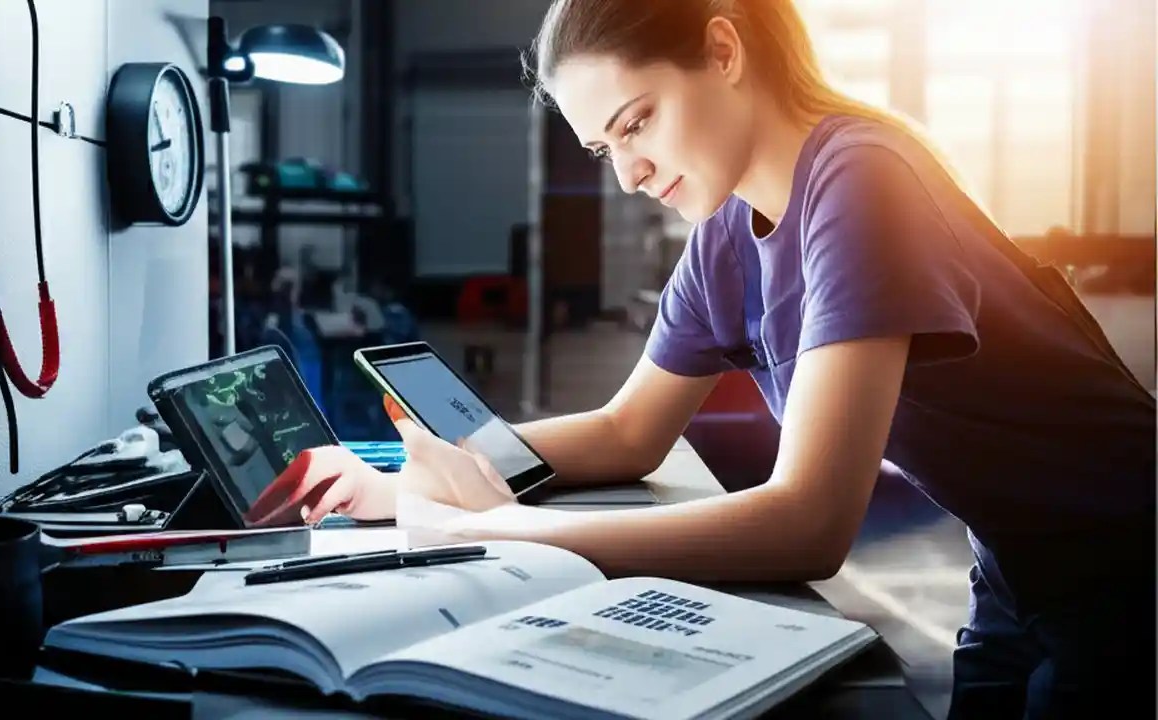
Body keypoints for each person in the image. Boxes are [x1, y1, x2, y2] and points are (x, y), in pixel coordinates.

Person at [246, 1, 1157, 717]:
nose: (627, 174)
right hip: (1016, 569)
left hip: (1130, 571)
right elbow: (628, 430)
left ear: (723, 52)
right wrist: (399, 483)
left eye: (636, 123)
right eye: (604, 148)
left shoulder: (862, 178)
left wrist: (501, 530)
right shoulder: (727, 229)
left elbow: (810, 522)